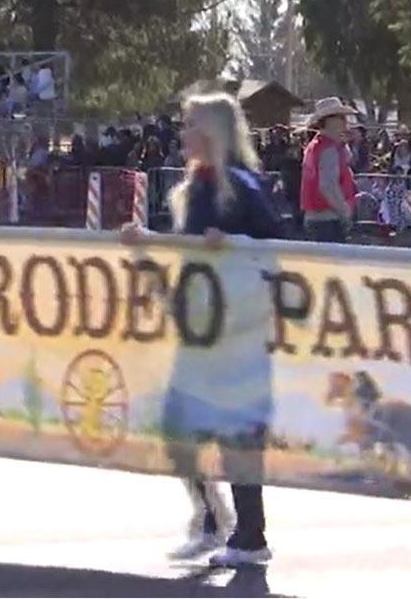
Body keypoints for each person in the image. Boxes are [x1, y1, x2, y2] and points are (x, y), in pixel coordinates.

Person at [122, 92, 283, 567]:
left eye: (191, 123)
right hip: (198, 327)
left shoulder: (242, 185)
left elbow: (280, 244)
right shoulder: (193, 188)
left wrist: (233, 242)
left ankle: (250, 537)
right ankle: (214, 520)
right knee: (179, 429)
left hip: (238, 331)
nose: (183, 132)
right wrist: (146, 244)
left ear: (214, 131)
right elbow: (189, 254)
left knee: (237, 436)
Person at [299, 97, 357, 242]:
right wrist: (345, 212)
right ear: (329, 120)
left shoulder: (317, 145)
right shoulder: (328, 149)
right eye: (341, 117)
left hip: (317, 218)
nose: (345, 121)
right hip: (328, 219)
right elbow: (328, 185)